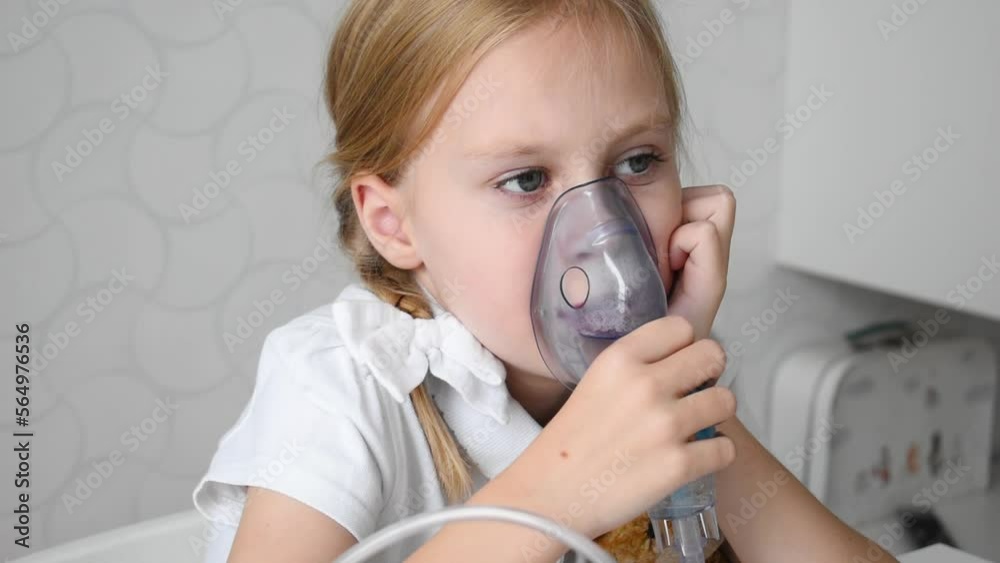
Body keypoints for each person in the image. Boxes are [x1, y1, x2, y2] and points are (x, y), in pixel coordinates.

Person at [191, 1, 898, 561]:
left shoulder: (655, 383)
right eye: (526, 178)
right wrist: (558, 490)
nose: (602, 231)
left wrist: (681, 375)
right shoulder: (339, 384)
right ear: (394, 223)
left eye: (638, 161)